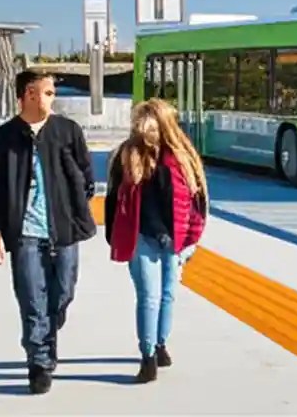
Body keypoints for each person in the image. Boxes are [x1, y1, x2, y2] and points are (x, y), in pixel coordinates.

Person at [0, 70, 97, 395]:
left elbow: (87, 175)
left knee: (62, 294)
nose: (51, 99)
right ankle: (39, 363)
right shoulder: (2, 139)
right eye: (47, 92)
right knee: (32, 300)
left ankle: (46, 331)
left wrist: (75, 206)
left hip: (65, 229)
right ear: (29, 95)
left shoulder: (67, 131)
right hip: (25, 233)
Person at [104, 98, 208, 383]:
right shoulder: (127, 156)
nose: (143, 133)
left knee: (167, 293)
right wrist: (114, 235)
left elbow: (197, 202)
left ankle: (160, 344)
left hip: (174, 239)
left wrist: (192, 238)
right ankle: (147, 355)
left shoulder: (182, 159)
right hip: (141, 237)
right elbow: (114, 199)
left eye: (148, 127)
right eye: (140, 127)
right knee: (149, 296)